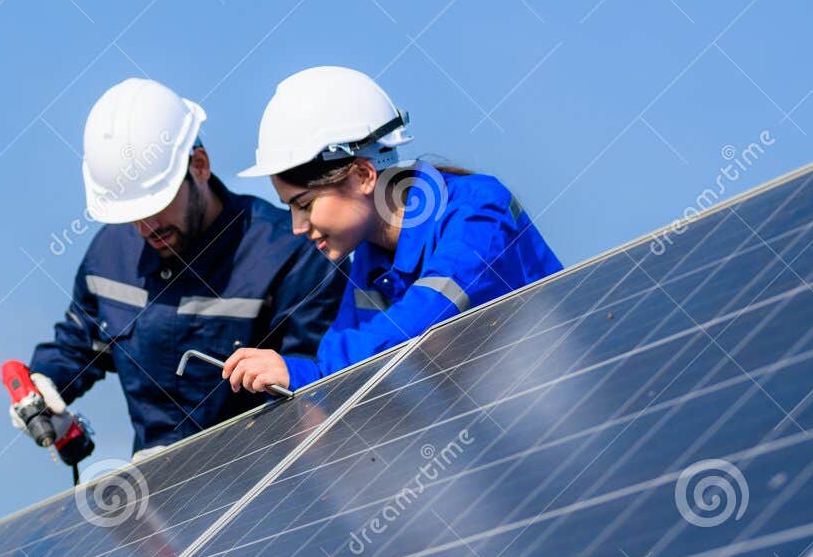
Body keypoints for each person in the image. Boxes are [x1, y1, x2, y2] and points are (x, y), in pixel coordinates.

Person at [14, 77, 346, 458]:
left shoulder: (292, 253)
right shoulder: (109, 254)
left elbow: (323, 383)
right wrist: (45, 385)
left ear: (199, 166)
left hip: (271, 489)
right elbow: (80, 344)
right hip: (156, 490)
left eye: (156, 205)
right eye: (131, 214)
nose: (145, 228)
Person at [221, 66, 561, 394]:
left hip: (564, 402)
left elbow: (424, 320)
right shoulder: (373, 262)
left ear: (364, 176)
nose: (296, 227)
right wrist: (288, 379)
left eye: (305, 204)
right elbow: (337, 362)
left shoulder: (478, 211)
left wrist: (301, 374)